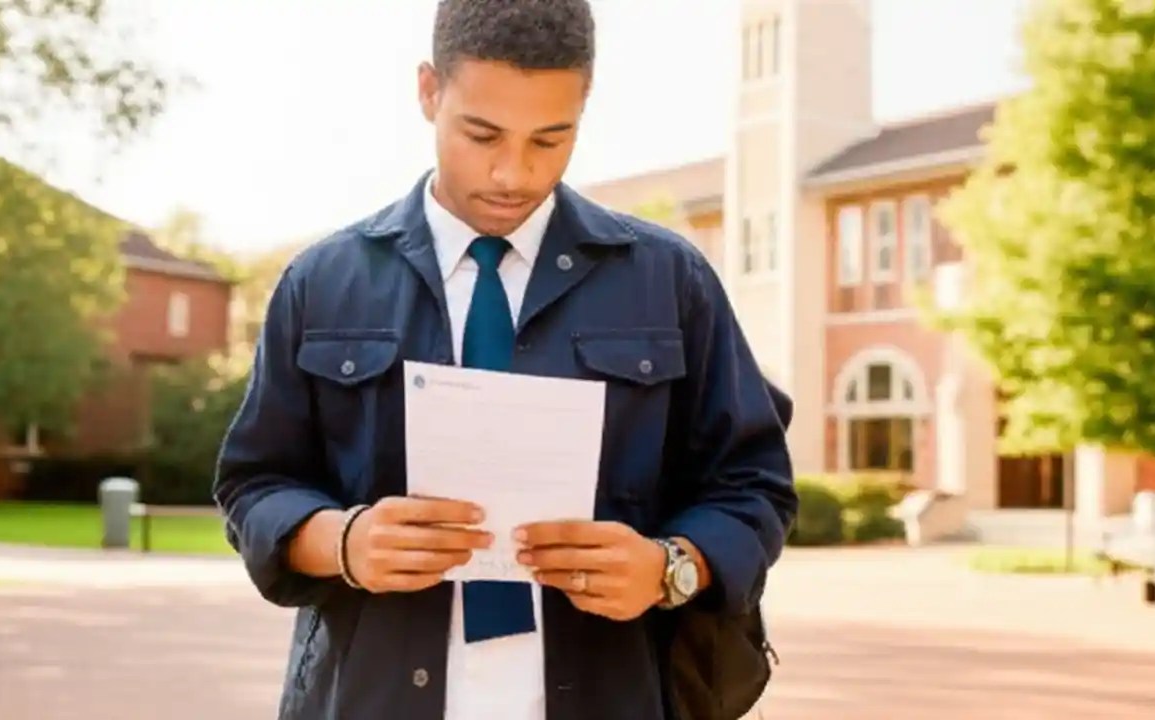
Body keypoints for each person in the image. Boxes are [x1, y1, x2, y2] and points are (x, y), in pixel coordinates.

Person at [213, 0, 797, 718]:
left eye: (551, 138)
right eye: (481, 134)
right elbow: (255, 482)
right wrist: (342, 543)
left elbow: (754, 486)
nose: (512, 174)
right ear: (429, 91)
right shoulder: (324, 283)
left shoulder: (670, 281)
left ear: (584, 105)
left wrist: (670, 567)